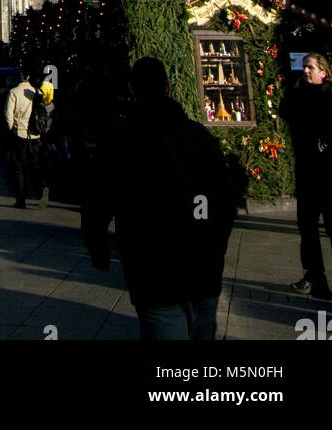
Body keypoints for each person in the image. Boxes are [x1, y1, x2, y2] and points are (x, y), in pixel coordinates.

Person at [82, 56, 235, 340]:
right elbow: (224, 198)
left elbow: (97, 198)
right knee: (202, 327)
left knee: (164, 327)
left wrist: (97, 245)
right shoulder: (198, 136)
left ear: (132, 89)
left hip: (151, 262)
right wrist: (217, 243)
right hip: (202, 260)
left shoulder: (120, 139)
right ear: (167, 87)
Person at [279, 52, 332, 298]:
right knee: (307, 229)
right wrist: (296, 87)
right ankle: (314, 277)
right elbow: (285, 112)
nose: (306, 71)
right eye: (304, 67)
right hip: (307, 173)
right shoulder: (298, 94)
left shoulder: (331, 95)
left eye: (310, 67)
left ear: (323, 71)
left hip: (329, 173)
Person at [4, 68, 38, 209]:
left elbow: (8, 114)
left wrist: (12, 128)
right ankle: (41, 189)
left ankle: (21, 198)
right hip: (35, 134)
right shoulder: (36, 92)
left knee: (19, 166)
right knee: (34, 164)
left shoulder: (13, 92)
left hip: (19, 132)